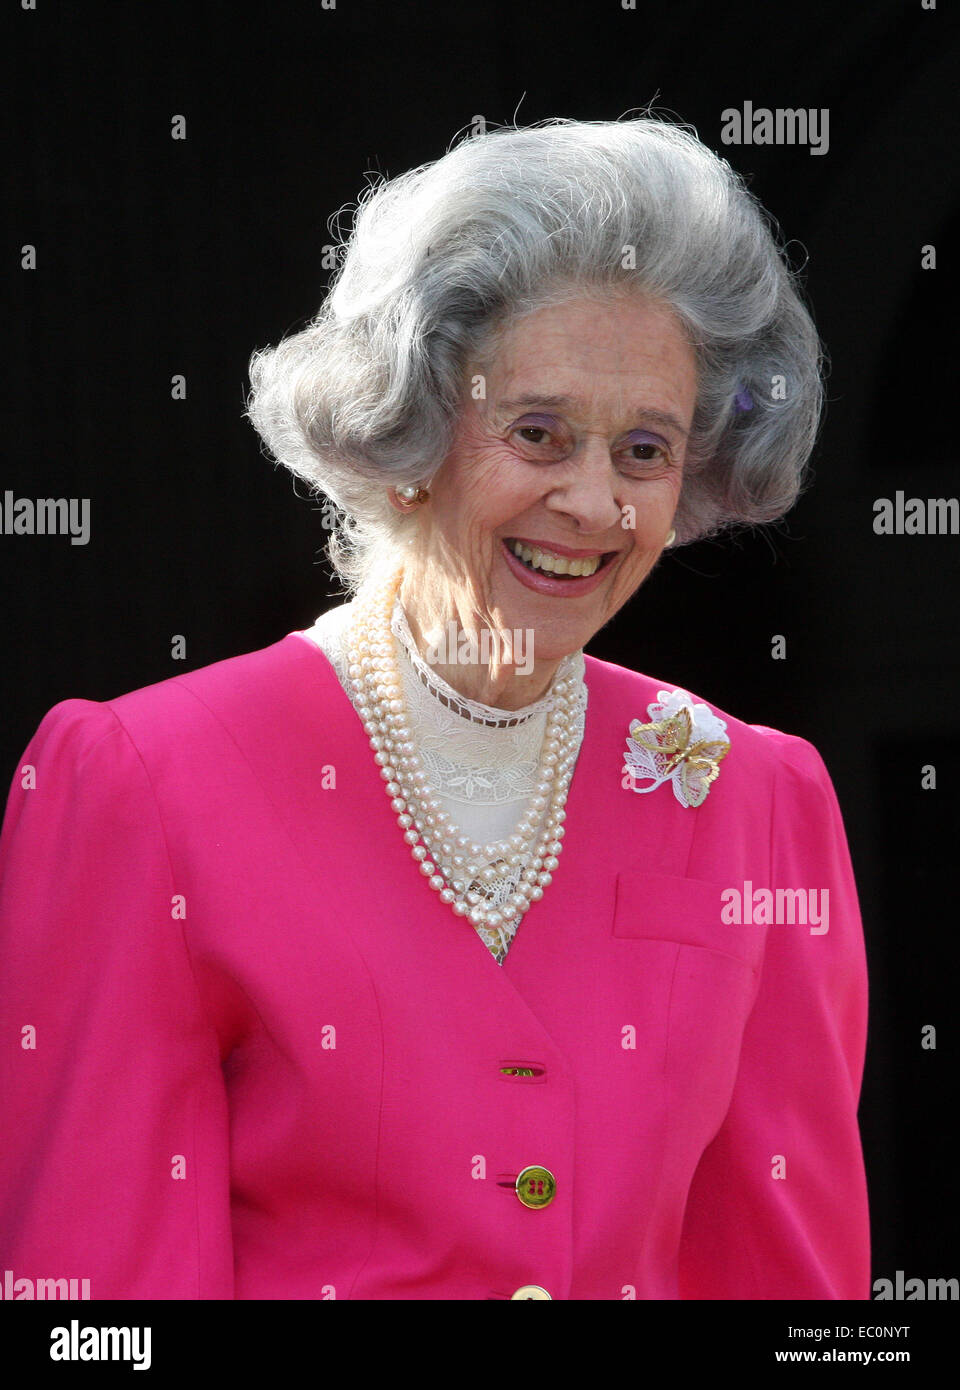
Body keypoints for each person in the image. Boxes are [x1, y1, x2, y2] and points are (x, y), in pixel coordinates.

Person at [0, 116, 869, 1300]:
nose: (593, 501)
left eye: (646, 450)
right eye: (537, 432)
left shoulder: (758, 800)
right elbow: (98, 1311)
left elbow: (790, 1299)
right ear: (407, 419)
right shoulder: (144, 782)